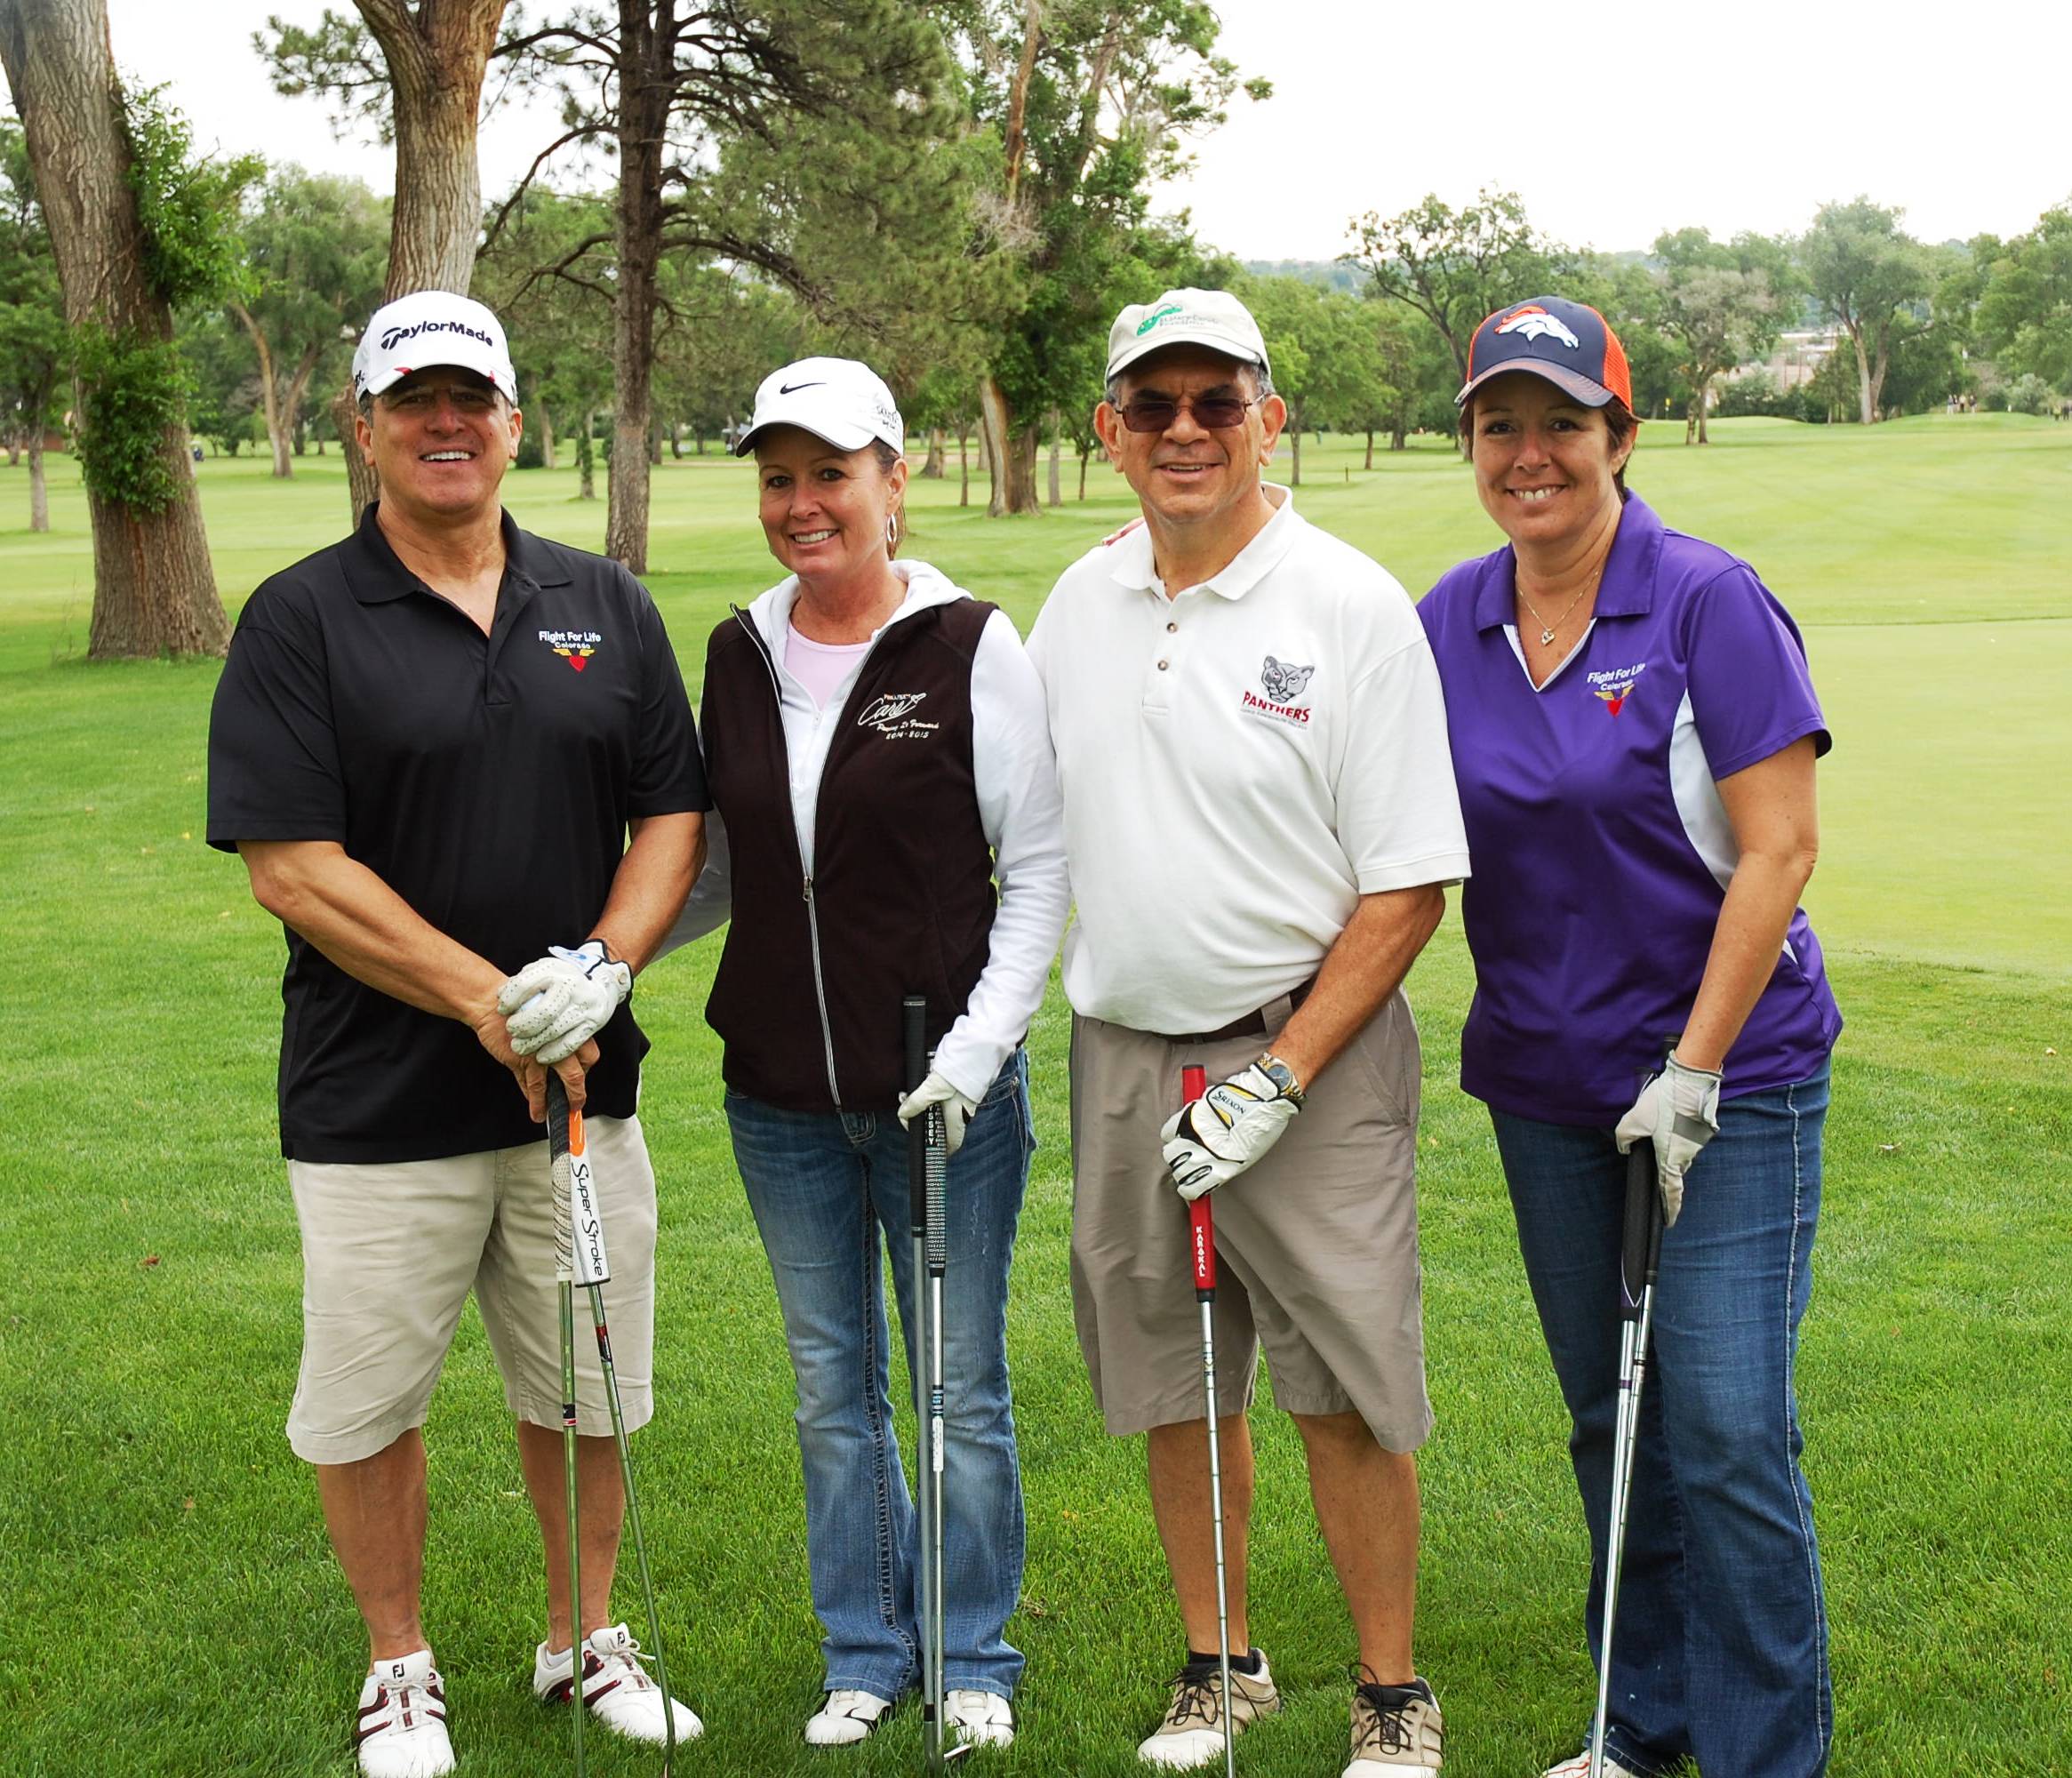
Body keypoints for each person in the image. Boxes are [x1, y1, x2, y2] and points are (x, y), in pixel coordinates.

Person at [206, 291, 706, 1778]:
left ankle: (583, 1636)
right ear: (363, 427)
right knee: (367, 1400)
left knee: (586, 1385)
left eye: (471, 398)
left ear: (512, 422)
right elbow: (294, 867)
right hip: (376, 1100)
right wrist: (495, 1002)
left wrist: (603, 969)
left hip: (580, 1098)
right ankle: (399, 1665)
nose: (446, 422)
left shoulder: (603, 601)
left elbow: (671, 814)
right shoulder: (301, 617)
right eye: (413, 399)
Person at [1025, 289, 1470, 1774]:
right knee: (1174, 1378)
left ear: (1269, 418)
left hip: (1305, 1057)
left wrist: (1280, 1077)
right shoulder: (1080, 603)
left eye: (1217, 402)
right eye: (1152, 406)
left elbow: (1409, 886)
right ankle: (1221, 1666)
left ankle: (1392, 1693)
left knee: (1339, 1384)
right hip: (1126, 1051)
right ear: (1109, 429)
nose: (1186, 431)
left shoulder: (1347, 604)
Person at [1417, 295, 1840, 1778]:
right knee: (1613, 1416)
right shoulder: (1449, 618)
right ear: (1472, 443)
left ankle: (1765, 1756)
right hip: (1543, 1081)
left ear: (1622, 436)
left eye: (1563, 424)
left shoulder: (1707, 600)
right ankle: (1640, 1730)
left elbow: (1779, 849)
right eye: (1501, 426)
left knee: (1721, 1427)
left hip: (1730, 1081)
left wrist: (1694, 1072)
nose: (1530, 454)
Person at [665, 357, 1067, 1750]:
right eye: (778, 478)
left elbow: (1038, 872)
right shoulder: (738, 650)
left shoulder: (969, 645)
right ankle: (866, 1649)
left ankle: (973, 1656)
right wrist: (602, 957)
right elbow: (728, 871)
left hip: (943, 1096)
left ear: (895, 481)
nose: (803, 503)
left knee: (959, 1389)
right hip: (779, 1096)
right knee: (833, 1392)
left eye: (830, 474)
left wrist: (978, 1049)